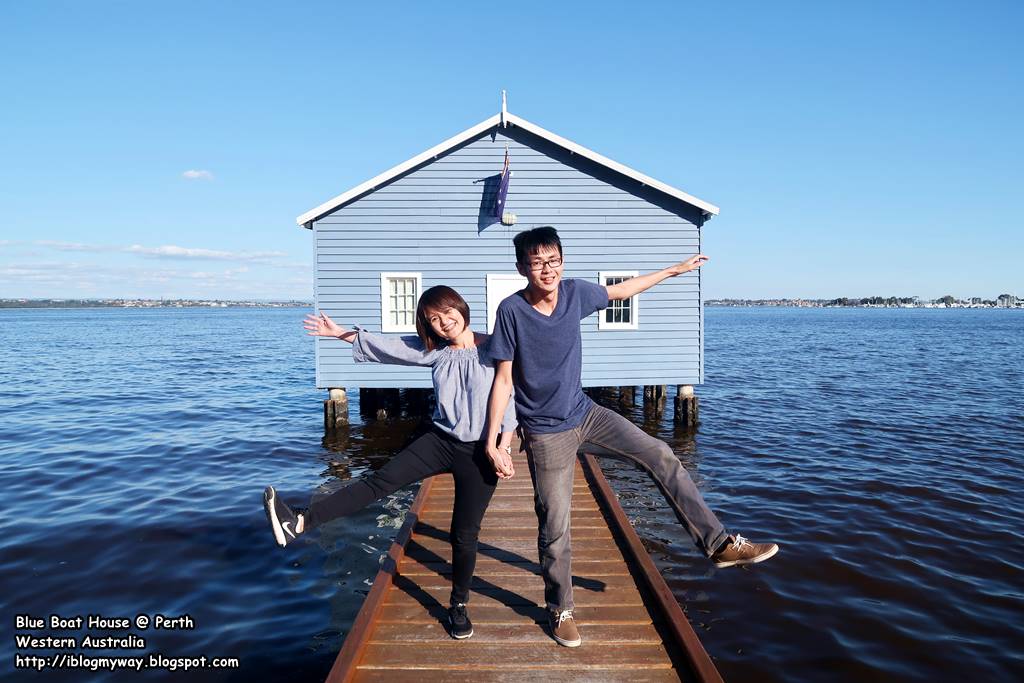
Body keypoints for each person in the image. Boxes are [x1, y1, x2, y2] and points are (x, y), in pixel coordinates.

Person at [483, 226, 779, 648]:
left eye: (554, 260)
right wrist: (494, 439)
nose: (547, 269)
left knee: (660, 453)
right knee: (555, 525)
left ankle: (718, 544)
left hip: (585, 412)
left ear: (563, 261)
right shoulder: (511, 311)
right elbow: (503, 380)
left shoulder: (575, 293)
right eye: (537, 262)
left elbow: (622, 291)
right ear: (521, 268)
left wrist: (674, 270)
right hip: (546, 432)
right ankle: (560, 607)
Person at [263, 285, 517, 640]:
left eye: (448, 312)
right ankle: (302, 521)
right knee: (377, 482)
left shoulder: (494, 346)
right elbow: (387, 346)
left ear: (461, 308)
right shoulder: (434, 353)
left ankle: (458, 606)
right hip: (442, 441)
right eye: (434, 319)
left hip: (482, 451)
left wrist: (503, 446)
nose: (444, 322)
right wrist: (339, 333)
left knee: (464, 534)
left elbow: (511, 399)